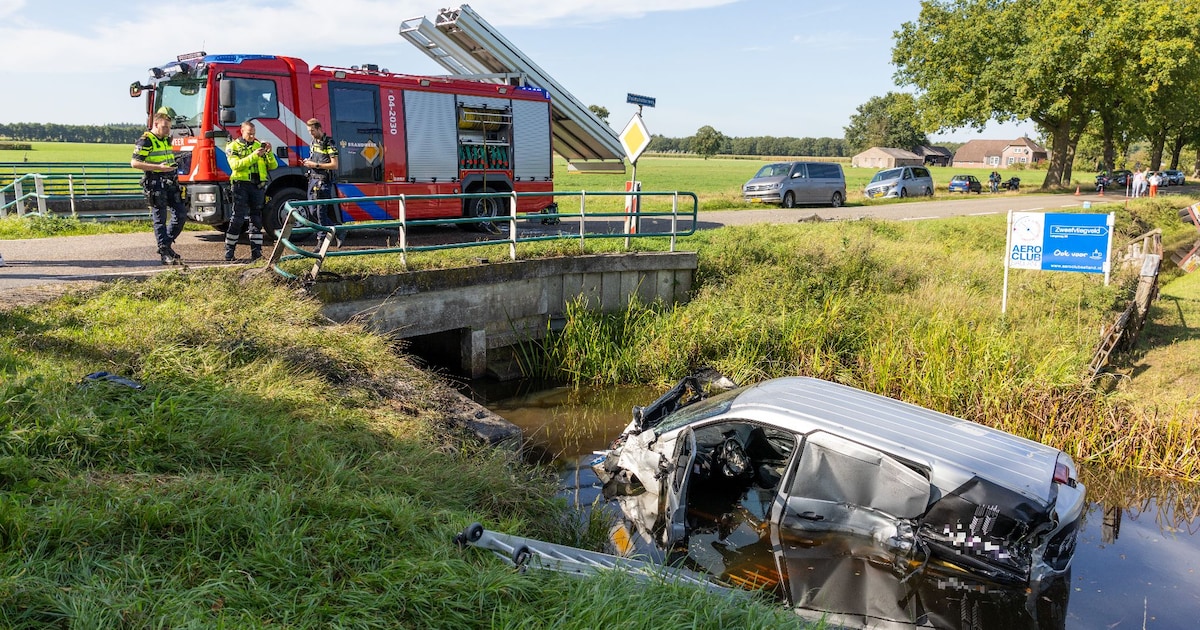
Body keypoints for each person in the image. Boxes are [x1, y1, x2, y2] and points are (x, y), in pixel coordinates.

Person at [131, 111, 187, 265]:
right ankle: (164, 252)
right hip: (156, 182)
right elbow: (134, 163)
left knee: (181, 215)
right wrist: (158, 167)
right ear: (155, 124)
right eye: (164, 127)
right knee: (160, 219)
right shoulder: (146, 140)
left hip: (171, 182)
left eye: (169, 127)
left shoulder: (165, 139)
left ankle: (166, 245)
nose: (168, 130)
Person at [224, 121, 277, 262]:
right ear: (242, 131)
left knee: (257, 220)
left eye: (254, 133)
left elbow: (273, 165)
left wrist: (269, 152)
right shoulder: (232, 146)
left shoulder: (258, 146)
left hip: (257, 187)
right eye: (249, 133)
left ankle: (256, 254)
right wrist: (254, 155)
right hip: (240, 185)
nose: (252, 136)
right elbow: (235, 165)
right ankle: (229, 253)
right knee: (237, 219)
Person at [301, 118, 340, 246]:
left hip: (323, 181)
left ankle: (321, 242)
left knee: (320, 212)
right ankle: (338, 231)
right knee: (312, 211)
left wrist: (316, 164)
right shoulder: (313, 142)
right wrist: (308, 162)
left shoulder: (329, 142)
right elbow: (314, 158)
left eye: (312, 130)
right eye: (309, 131)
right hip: (312, 179)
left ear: (319, 129)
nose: (310, 133)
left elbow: (334, 165)